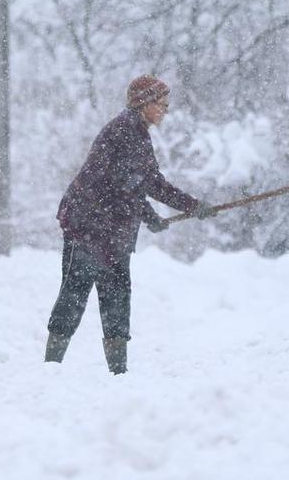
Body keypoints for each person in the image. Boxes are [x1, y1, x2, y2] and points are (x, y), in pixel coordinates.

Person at [45, 75, 215, 373]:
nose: (165, 110)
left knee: (117, 297)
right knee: (75, 292)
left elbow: (135, 184)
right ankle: (50, 369)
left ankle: (118, 373)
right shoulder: (124, 132)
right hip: (87, 226)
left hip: (113, 232)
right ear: (144, 103)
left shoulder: (137, 133)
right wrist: (191, 206)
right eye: (161, 104)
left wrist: (151, 216)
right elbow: (139, 183)